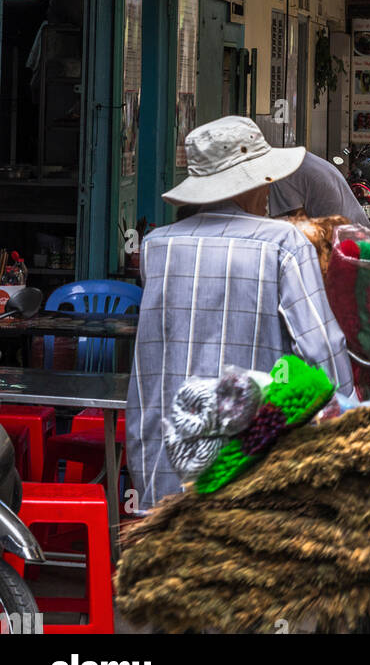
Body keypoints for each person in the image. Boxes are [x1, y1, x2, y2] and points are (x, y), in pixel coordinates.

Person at [126, 116, 354, 510]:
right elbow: (324, 353)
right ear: (253, 183)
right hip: (246, 473)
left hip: (159, 467)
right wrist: (349, 425)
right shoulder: (282, 243)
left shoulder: (155, 247)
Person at [269, 150, 369, 229]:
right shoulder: (299, 158)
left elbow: (301, 223)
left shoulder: (280, 172)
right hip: (360, 229)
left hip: (345, 240)